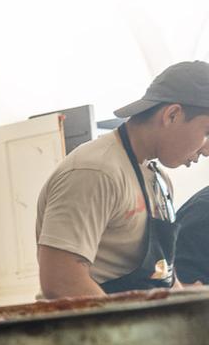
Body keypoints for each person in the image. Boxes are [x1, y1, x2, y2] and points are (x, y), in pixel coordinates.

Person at [36, 61, 209, 298]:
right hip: (88, 332)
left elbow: (164, 277)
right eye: (207, 132)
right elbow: (62, 281)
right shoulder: (95, 171)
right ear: (172, 115)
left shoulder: (159, 180)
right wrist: (127, 333)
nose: (207, 149)